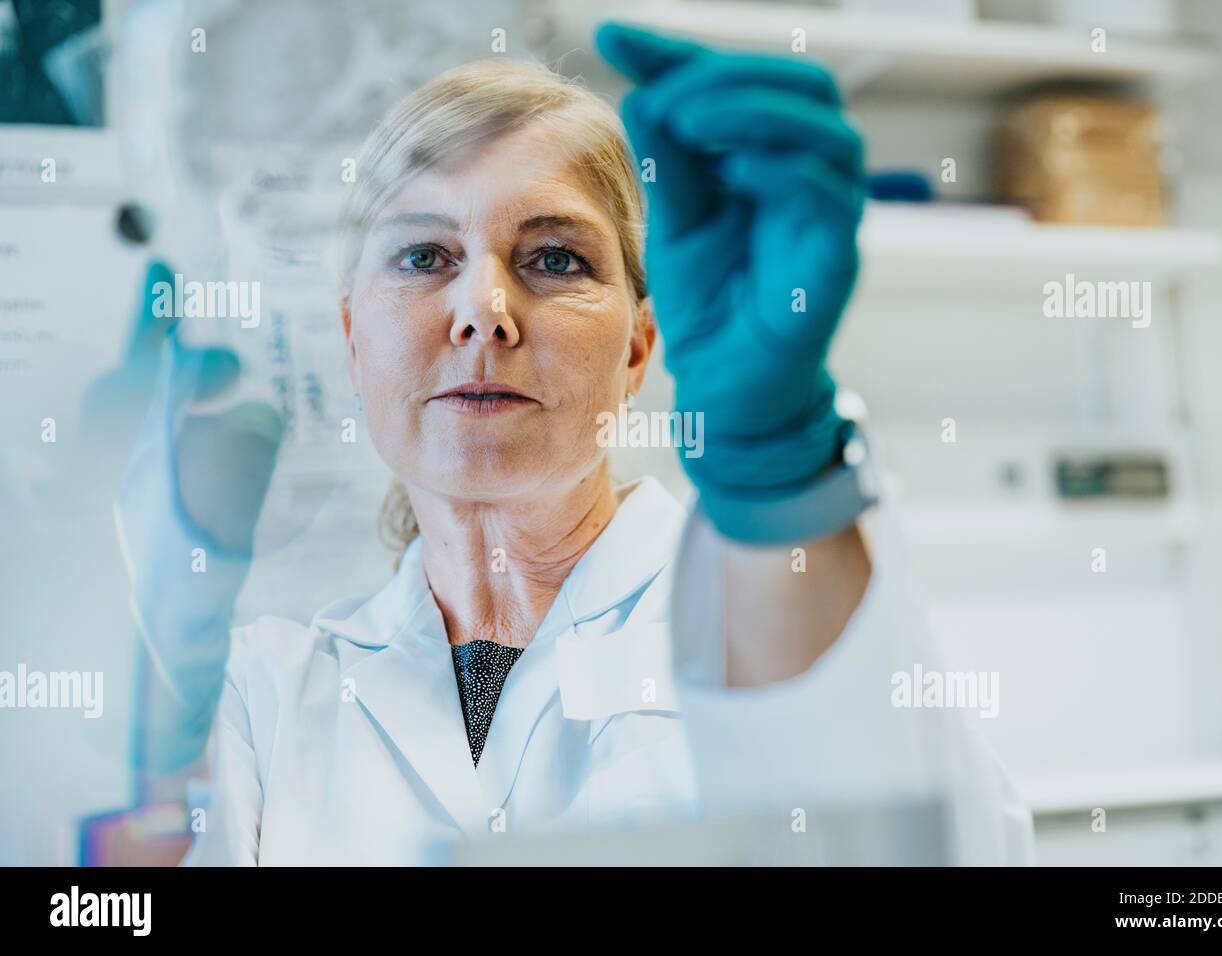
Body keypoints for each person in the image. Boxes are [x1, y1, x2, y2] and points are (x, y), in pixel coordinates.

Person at [117, 23, 1030, 864]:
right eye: (423, 257)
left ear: (638, 346)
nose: (483, 310)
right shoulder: (263, 692)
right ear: (354, 340)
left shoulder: (774, 603)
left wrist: (776, 467)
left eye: (554, 258)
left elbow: (931, 852)